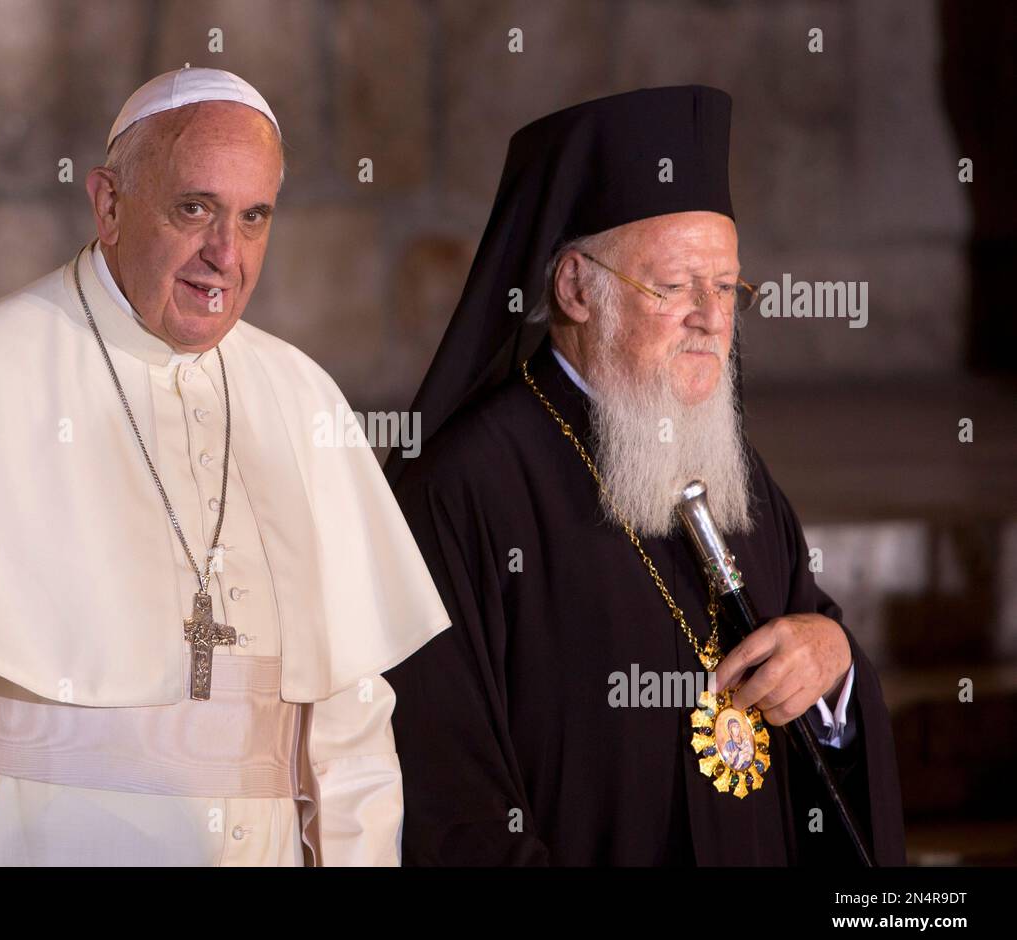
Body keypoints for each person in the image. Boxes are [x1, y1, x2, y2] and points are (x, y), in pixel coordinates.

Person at [0, 66, 449, 866]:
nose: (223, 255)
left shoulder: (302, 396)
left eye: (254, 216)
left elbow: (354, 740)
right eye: (193, 208)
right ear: (107, 204)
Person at [384, 86, 906, 866]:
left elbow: (815, 664)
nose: (712, 318)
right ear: (573, 288)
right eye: (673, 286)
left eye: (727, 287)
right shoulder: (464, 491)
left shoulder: (739, 478)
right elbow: (450, 796)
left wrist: (832, 666)